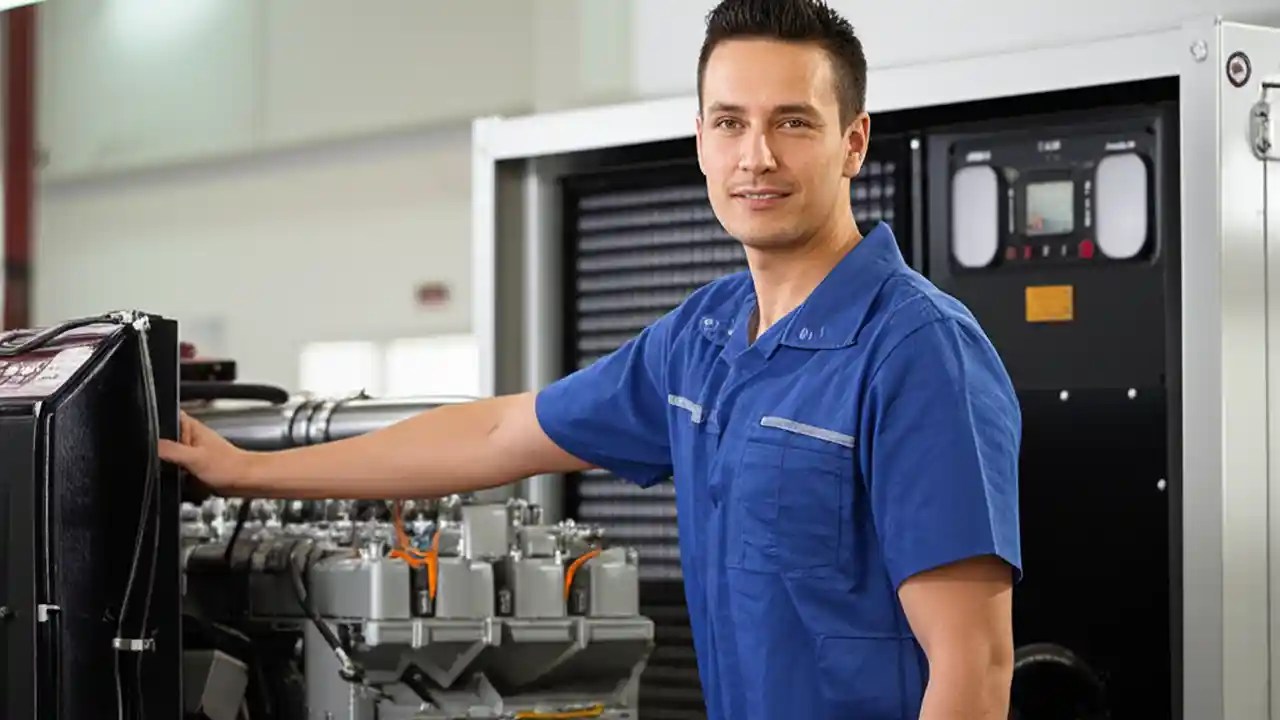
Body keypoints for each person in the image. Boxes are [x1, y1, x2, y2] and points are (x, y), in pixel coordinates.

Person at [160, 0, 1022, 717]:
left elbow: (974, 668)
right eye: (731, 123)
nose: (757, 156)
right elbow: (500, 434)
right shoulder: (704, 339)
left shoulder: (916, 351)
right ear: (701, 140)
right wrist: (247, 471)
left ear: (854, 142)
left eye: (793, 123)